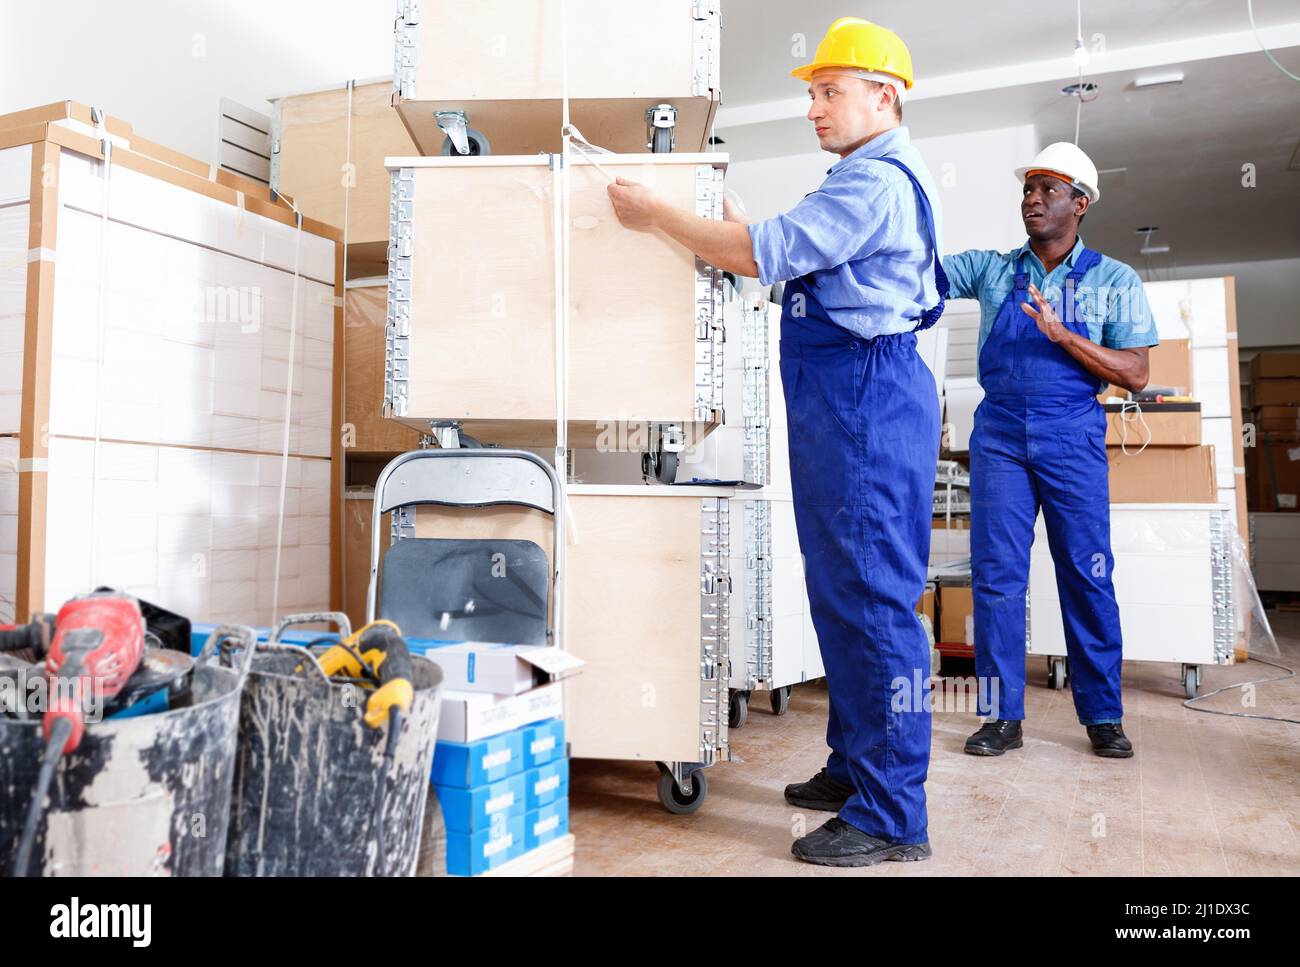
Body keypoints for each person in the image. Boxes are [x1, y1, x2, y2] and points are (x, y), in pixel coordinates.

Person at [607, 17, 945, 865]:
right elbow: (785, 252)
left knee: (872, 599)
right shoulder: (853, 180)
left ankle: (893, 812)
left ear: (884, 96)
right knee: (840, 588)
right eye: (810, 93)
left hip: (865, 397)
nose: (813, 108)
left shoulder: (876, 182)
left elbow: (764, 255)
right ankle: (854, 765)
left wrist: (658, 217)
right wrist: (736, 225)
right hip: (847, 398)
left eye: (829, 91)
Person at [942, 142, 1157, 760]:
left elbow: (1136, 373)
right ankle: (1000, 718)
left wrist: (1064, 335)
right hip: (1001, 434)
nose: (1032, 199)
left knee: (1087, 572)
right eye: (1028, 190)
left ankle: (1103, 716)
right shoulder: (992, 269)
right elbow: (923, 268)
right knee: (997, 578)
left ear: (1080, 204)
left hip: (1072, 432)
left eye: (1048, 190)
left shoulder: (1115, 280)